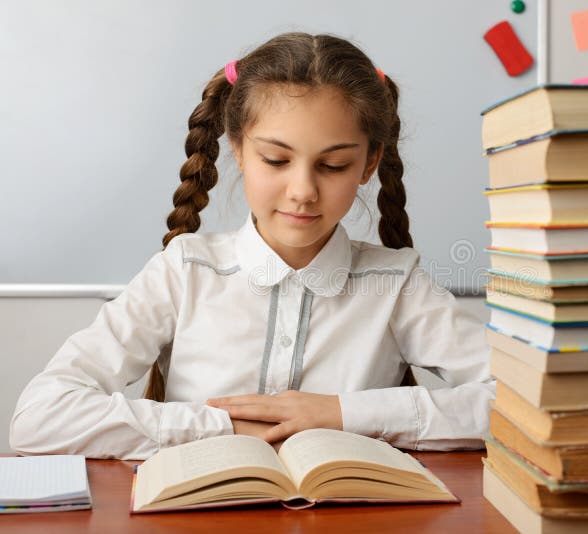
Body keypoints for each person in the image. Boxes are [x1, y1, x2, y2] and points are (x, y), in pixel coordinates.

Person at [9, 32, 493, 460]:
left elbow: (524, 406)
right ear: (238, 149)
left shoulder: (398, 284)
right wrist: (222, 426)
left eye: (334, 166)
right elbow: (40, 416)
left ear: (369, 164)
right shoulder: (184, 271)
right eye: (277, 159)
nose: (303, 190)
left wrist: (342, 414)